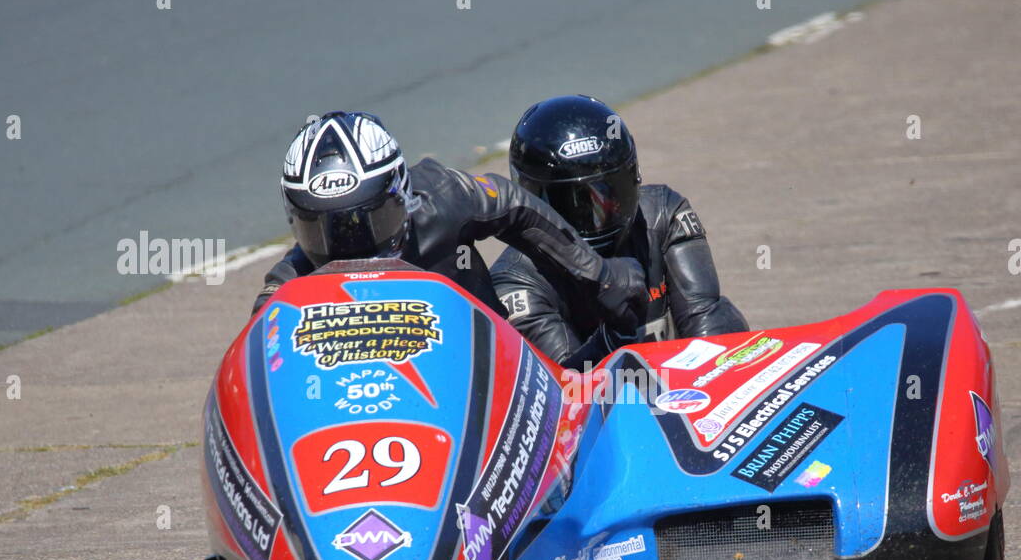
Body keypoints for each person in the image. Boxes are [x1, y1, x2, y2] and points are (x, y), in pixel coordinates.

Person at [251, 110, 646, 332]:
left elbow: (513, 204)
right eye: (322, 230)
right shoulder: (288, 284)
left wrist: (597, 275)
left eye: (367, 220)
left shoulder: (443, 196)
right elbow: (257, 347)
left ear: (401, 192)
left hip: (483, 370)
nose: (349, 244)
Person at [490, 95, 747, 369]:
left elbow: (704, 313)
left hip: (682, 395)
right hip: (601, 408)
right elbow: (567, 387)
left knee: (726, 320)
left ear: (635, 176)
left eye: (608, 193)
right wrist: (615, 335)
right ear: (531, 201)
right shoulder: (516, 282)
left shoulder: (664, 214)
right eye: (568, 204)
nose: (594, 219)